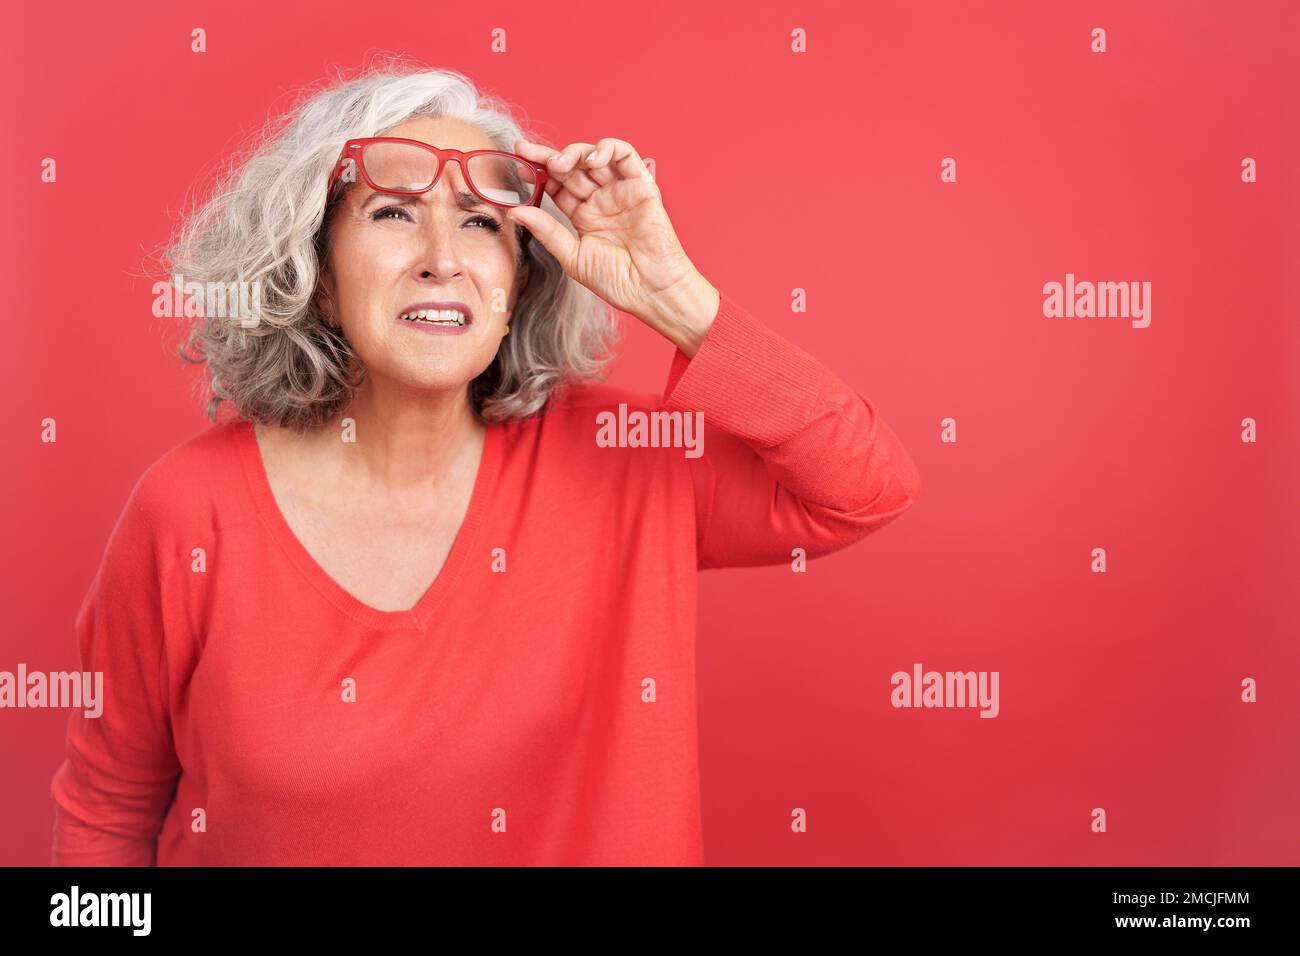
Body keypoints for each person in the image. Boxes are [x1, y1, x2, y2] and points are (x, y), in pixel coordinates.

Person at [49, 62, 921, 865]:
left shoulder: (625, 464)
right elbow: (105, 814)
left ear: (520, 287)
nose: (443, 258)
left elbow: (864, 488)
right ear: (317, 273)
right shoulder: (188, 510)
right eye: (392, 213)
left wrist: (677, 300)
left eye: (481, 224)